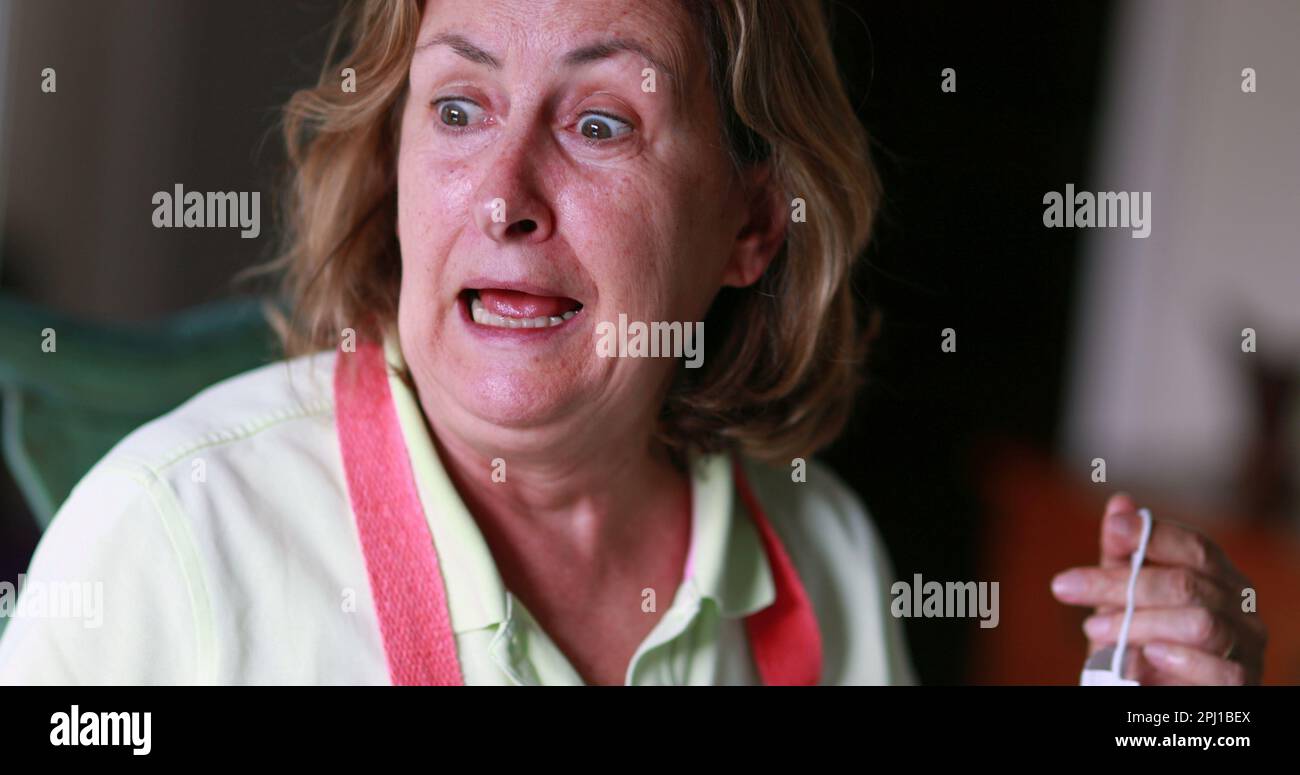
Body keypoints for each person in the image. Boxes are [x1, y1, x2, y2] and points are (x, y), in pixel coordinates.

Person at [0, 0, 1262, 685]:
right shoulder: (168, 543)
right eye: (457, 105)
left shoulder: (819, 556)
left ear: (751, 225)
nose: (503, 193)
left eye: (600, 123)